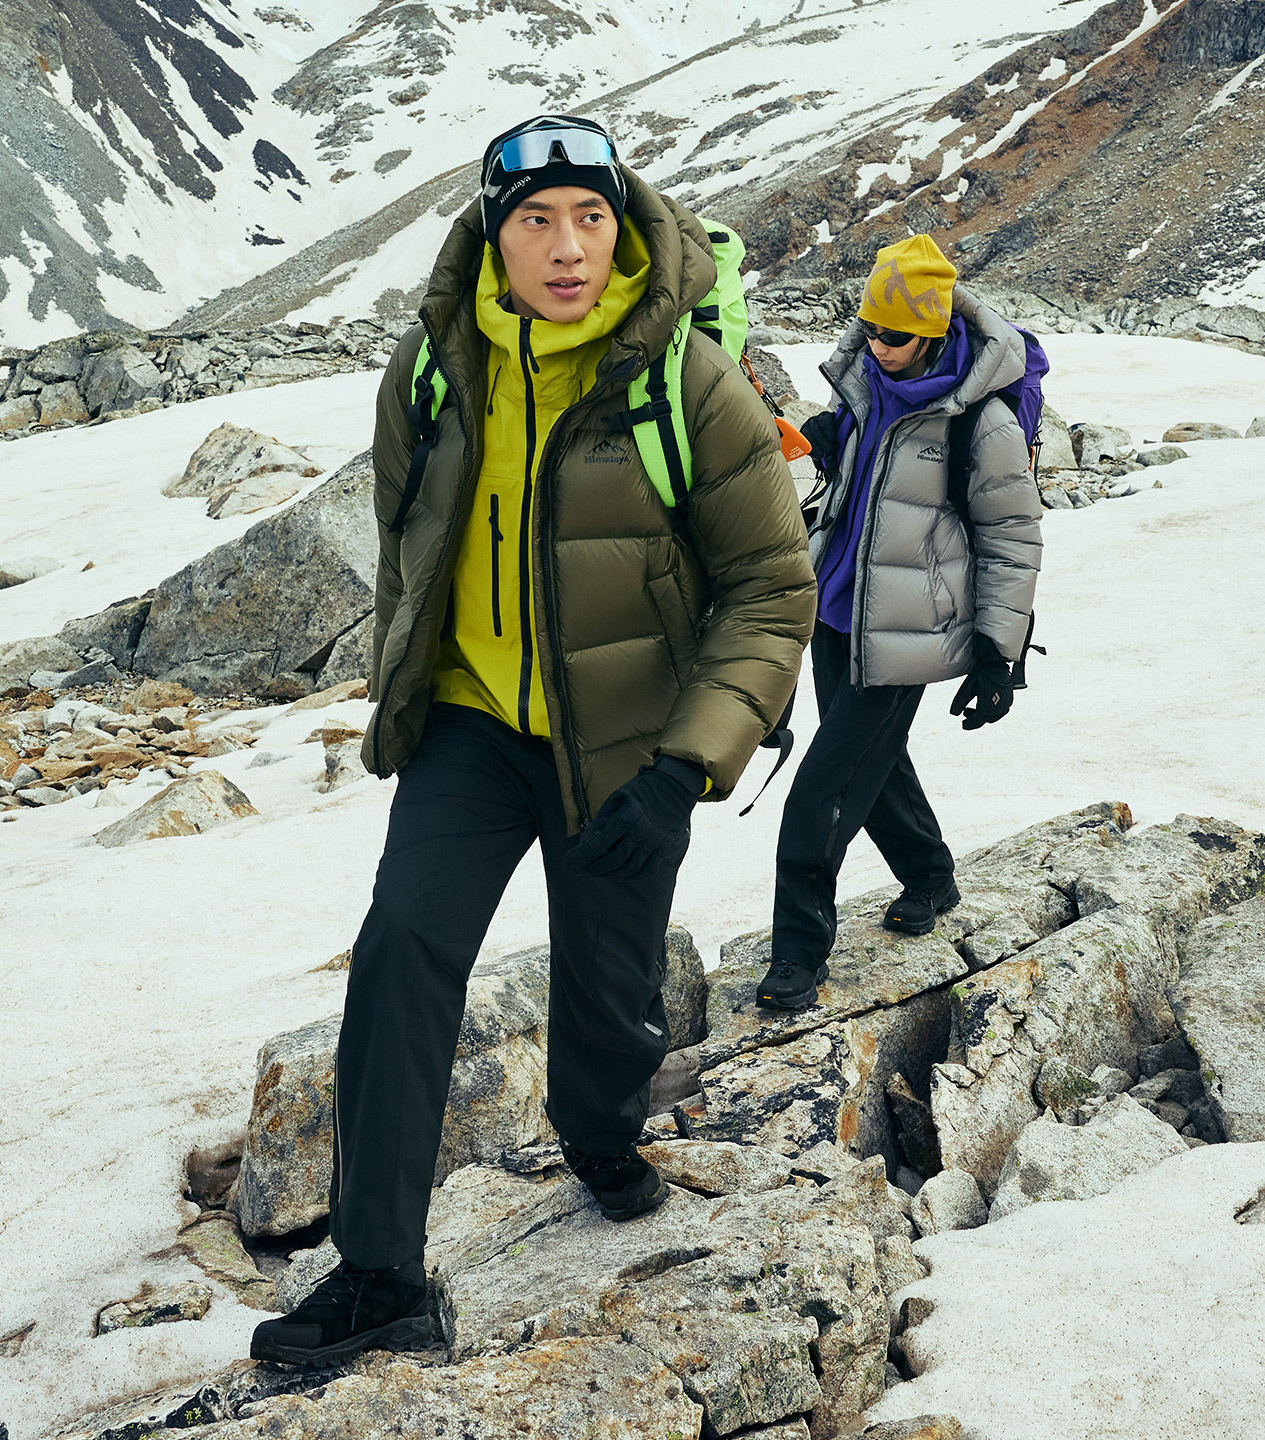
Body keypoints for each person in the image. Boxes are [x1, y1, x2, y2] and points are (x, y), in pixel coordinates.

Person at [251, 114, 814, 1366]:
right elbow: (408, 532)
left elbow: (773, 587)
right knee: (403, 950)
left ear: (621, 224)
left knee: (608, 993)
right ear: (492, 233)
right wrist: (409, 683)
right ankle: (382, 1270)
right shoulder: (436, 368)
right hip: (470, 729)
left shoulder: (686, 381)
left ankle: (604, 1131)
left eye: (591, 218)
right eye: (536, 220)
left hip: (627, 746)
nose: (567, 248)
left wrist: (687, 765)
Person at [755, 234, 1043, 1012]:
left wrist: (997, 653)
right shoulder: (862, 388)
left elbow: (1011, 537)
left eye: (897, 335)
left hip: (911, 632)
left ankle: (797, 956)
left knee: (820, 795)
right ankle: (931, 875)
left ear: (935, 331)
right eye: (871, 328)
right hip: (837, 613)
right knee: (872, 770)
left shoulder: (978, 421)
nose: (879, 346)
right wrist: (818, 442)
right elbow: (849, 486)